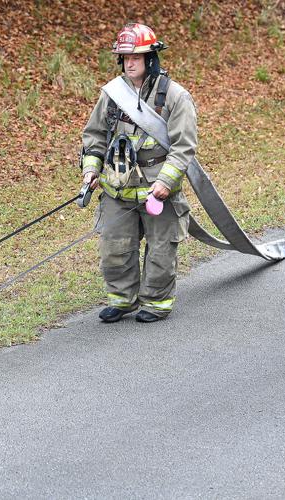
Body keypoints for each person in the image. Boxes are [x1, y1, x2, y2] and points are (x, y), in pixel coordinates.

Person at [80, 23, 198, 323]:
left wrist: (165, 181)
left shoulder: (175, 96)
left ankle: (156, 303)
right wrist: (91, 170)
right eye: (124, 58)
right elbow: (94, 136)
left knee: (160, 251)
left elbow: (184, 147)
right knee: (114, 249)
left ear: (151, 58)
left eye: (136, 57)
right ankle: (122, 300)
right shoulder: (112, 94)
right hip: (118, 190)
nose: (129, 63)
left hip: (157, 191)